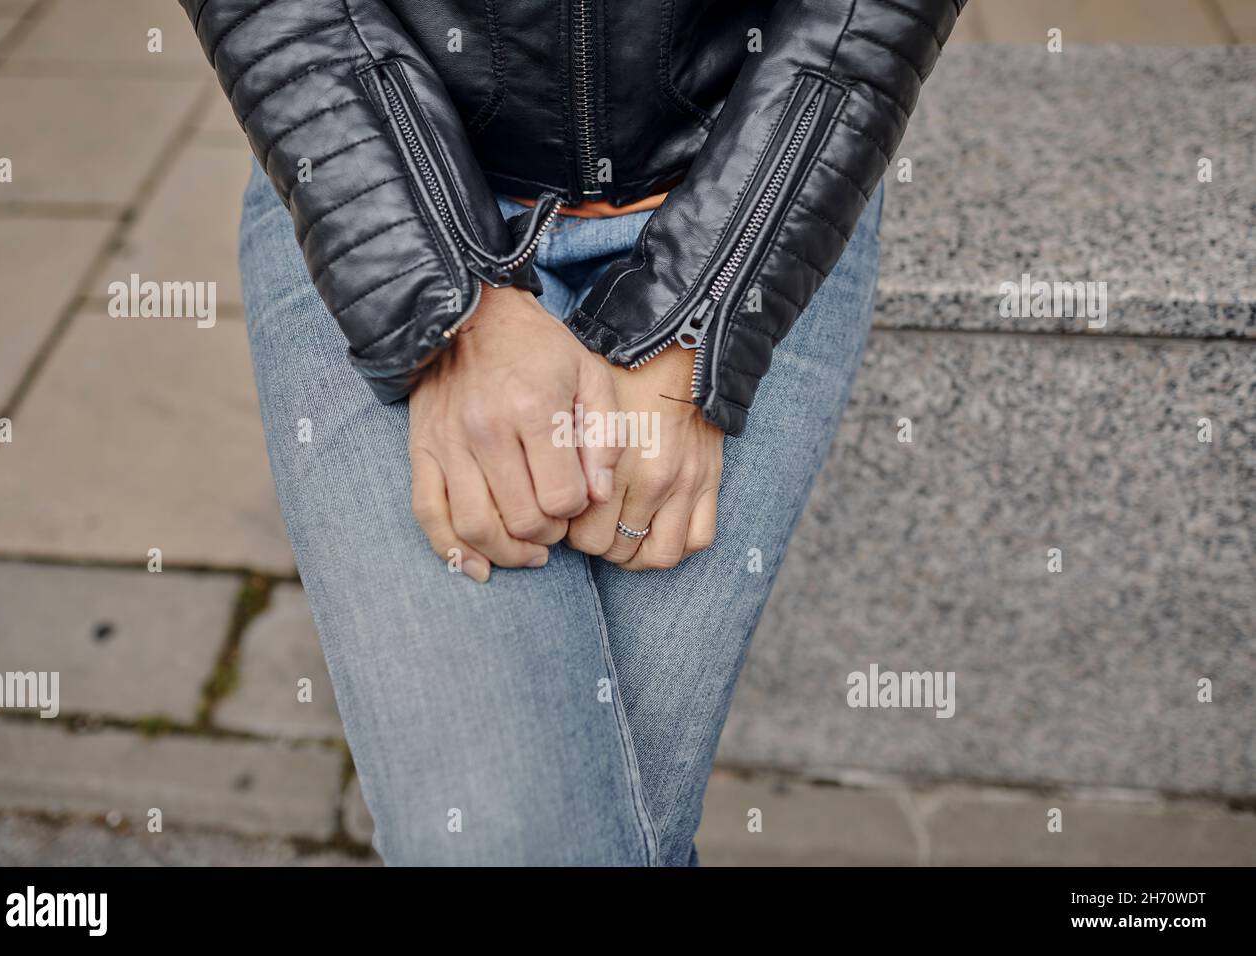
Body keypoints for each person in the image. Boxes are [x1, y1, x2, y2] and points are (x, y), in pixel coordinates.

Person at [180, 0, 963, 865]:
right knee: (509, 840)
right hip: (366, 166)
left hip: (765, 164)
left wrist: (697, 312)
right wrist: (451, 301)